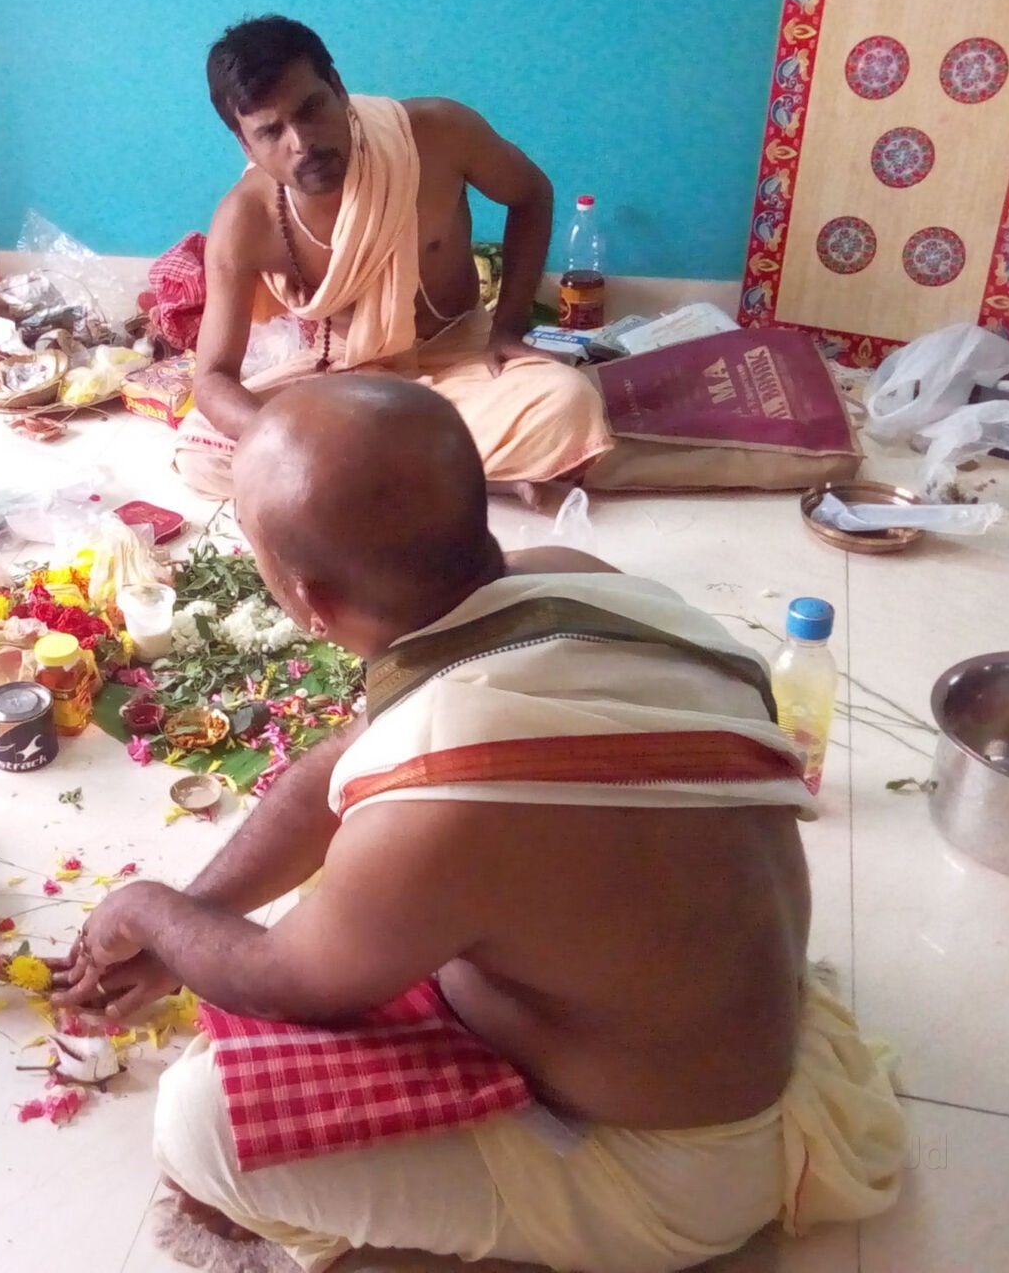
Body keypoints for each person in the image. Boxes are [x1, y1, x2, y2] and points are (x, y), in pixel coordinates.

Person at [56, 376, 905, 1272]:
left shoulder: (444, 804)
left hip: (675, 1167)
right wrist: (200, 903)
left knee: (200, 1126)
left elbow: (281, 983)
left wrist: (149, 910)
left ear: (308, 602)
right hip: (706, 1023)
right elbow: (334, 773)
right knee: (359, 852)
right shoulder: (573, 586)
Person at [173, 16, 612, 511]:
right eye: (271, 131)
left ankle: (367, 480)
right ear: (245, 144)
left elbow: (532, 193)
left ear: (338, 88)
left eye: (312, 108)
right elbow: (212, 379)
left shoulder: (439, 134)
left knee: (567, 402)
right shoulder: (245, 219)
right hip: (343, 380)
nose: (302, 142)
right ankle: (484, 480)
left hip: (459, 354)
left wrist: (508, 327)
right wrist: (288, 439)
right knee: (201, 448)